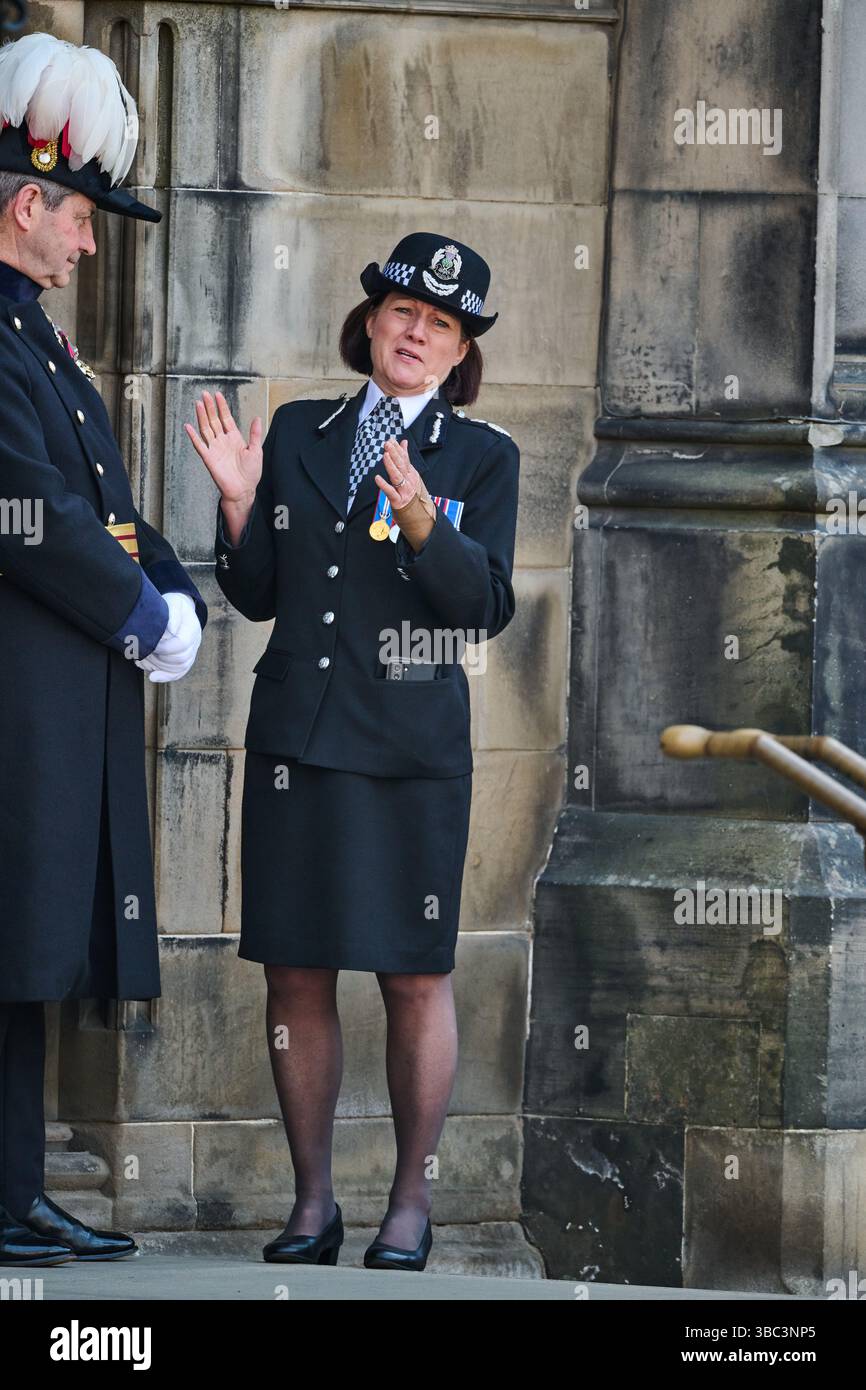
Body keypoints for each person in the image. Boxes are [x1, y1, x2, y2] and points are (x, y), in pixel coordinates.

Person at [187, 231, 519, 1272]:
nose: (415, 332)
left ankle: (409, 1204)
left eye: (440, 324)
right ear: (369, 322)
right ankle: (313, 1203)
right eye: (401, 312)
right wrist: (240, 502)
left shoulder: (483, 457)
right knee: (294, 971)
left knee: (413, 974)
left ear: (458, 352)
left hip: (411, 752)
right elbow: (259, 592)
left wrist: (421, 515)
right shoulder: (297, 431)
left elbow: (481, 609)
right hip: (297, 743)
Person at [0, 33, 206, 1267]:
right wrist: (138, 614)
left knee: (24, 949)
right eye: (79, 219)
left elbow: (103, 500)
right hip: (18, 692)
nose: (89, 244)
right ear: (28, 205)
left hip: (49, 697)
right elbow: (28, 512)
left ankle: (14, 1188)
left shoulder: (35, 335)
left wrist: (168, 582)